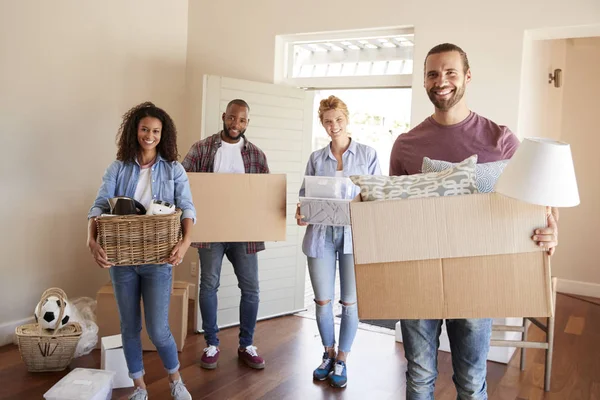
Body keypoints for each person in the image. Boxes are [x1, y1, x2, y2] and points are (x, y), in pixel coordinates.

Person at [389, 43, 559, 400]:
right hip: (419, 273)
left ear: (467, 77)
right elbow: (391, 213)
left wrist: (550, 227)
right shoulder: (406, 144)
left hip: (476, 276)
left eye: (450, 72)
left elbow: (535, 200)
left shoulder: (500, 140)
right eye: (433, 74)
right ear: (424, 81)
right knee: (419, 376)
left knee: (470, 379)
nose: (442, 81)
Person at [87, 102, 195, 400]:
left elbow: (187, 207)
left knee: (159, 329)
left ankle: (175, 380)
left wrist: (185, 243)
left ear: (164, 134)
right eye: (145, 129)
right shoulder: (117, 168)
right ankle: (140, 388)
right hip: (121, 259)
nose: (150, 135)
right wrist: (91, 241)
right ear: (135, 130)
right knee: (129, 327)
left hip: (159, 258)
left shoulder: (174, 169)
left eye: (156, 131)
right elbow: (98, 206)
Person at [295, 95, 381, 388]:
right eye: (328, 121)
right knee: (322, 301)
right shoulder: (316, 158)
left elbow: (377, 194)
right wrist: (301, 213)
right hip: (320, 234)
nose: (334, 126)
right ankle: (328, 354)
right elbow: (304, 195)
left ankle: (342, 359)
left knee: (349, 302)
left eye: (339, 120)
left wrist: (359, 201)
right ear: (322, 123)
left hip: (353, 237)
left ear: (347, 119)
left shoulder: (368, 155)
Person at [182, 99, 269, 371]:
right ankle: (211, 343)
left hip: (244, 232)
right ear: (224, 116)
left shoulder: (256, 155)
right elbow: (182, 181)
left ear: (247, 123)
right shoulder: (202, 148)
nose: (236, 124)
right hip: (211, 231)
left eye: (242, 120)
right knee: (208, 286)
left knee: (251, 288)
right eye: (232, 118)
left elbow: (266, 194)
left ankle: (247, 344)